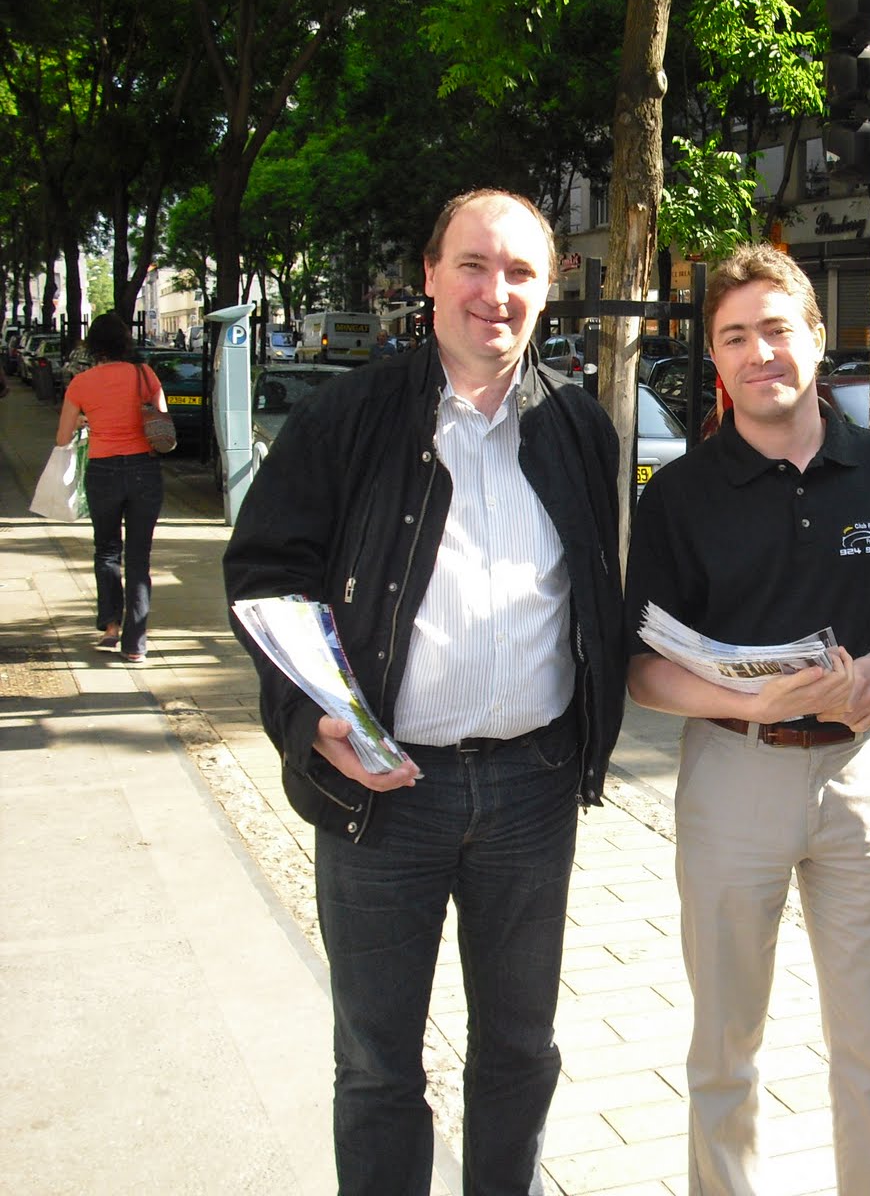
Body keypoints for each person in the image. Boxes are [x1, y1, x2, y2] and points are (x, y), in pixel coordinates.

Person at [223, 189, 626, 1196]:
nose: (497, 293)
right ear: (432, 274)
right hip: (384, 794)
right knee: (374, 1064)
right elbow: (263, 576)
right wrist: (304, 720)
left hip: (532, 794)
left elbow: (595, 593)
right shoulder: (348, 417)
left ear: (551, 290)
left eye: (521, 272)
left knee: (520, 1052)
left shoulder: (578, 428)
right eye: (475, 265)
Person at [624, 242, 870, 1195]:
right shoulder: (681, 494)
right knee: (725, 1048)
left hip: (864, 781)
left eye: (775, 328)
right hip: (735, 778)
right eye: (735, 337)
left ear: (815, 336)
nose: (758, 351)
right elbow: (642, 666)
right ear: (716, 361)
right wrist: (744, 700)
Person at [54, 312, 166, 663]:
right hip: (144, 471)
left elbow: (62, 437)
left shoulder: (81, 383)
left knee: (105, 550)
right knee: (138, 557)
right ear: (125, 341)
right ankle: (136, 644)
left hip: (102, 471)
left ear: (94, 345)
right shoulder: (144, 374)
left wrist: (90, 419)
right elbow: (161, 418)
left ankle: (110, 626)